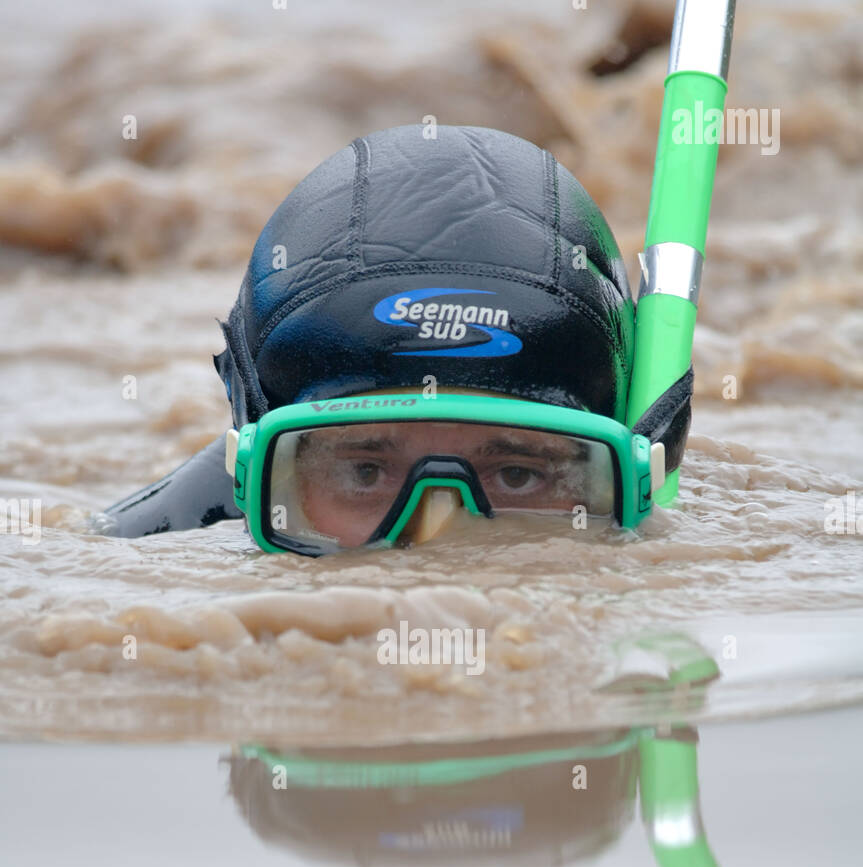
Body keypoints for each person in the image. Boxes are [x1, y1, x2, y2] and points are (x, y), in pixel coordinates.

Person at [103, 125, 693, 552]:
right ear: (252, 473)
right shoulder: (123, 573)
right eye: (364, 472)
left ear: (634, 471)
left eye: (519, 474)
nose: (433, 538)